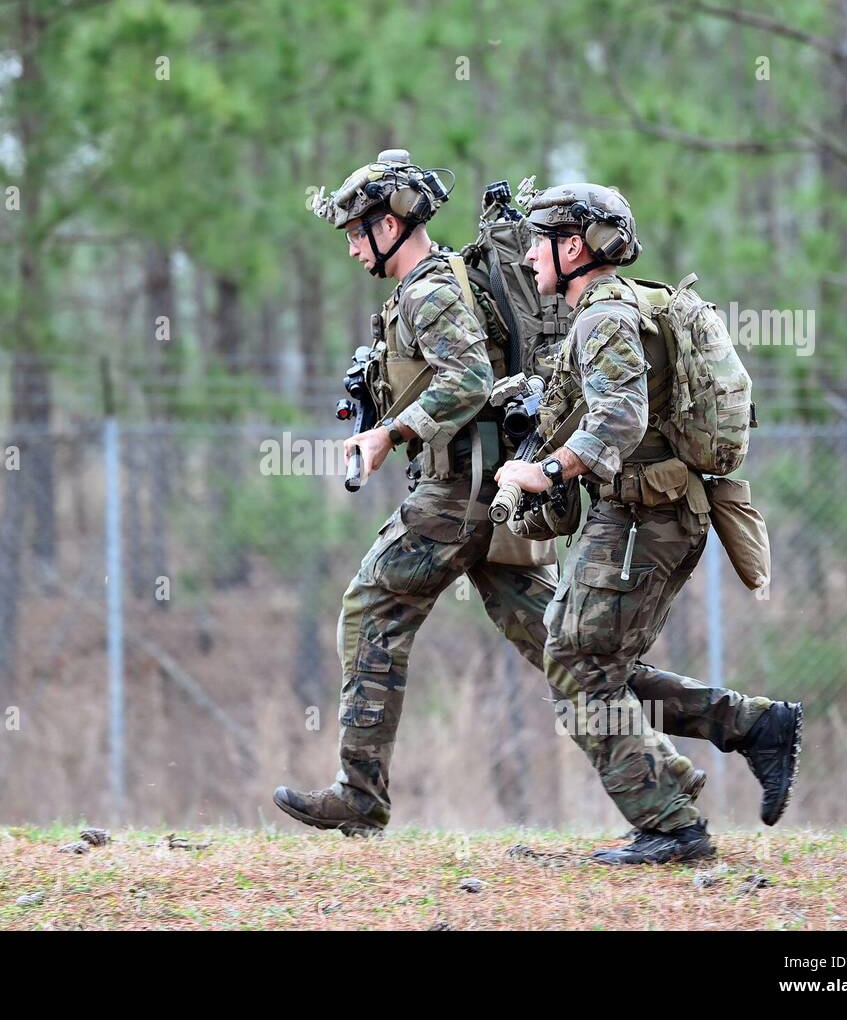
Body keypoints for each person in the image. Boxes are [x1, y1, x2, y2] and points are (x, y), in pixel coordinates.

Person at [272, 152, 705, 836]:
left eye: (359, 231)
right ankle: (694, 755)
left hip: (459, 491)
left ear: (391, 224)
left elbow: (469, 378)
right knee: (562, 648)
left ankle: (360, 794)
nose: (353, 246)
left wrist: (392, 432)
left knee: (370, 610)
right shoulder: (427, 286)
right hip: (489, 491)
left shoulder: (428, 290)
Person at [496, 182, 804, 863]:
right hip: (639, 510)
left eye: (538, 241)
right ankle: (753, 727)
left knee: (578, 663)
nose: (528, 256)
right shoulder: (609, 310)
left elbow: (621, 417)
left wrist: (544, 474)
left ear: (572, 247)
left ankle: (671, 825)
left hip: (650, 515)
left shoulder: (604, 317)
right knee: (586, 657)